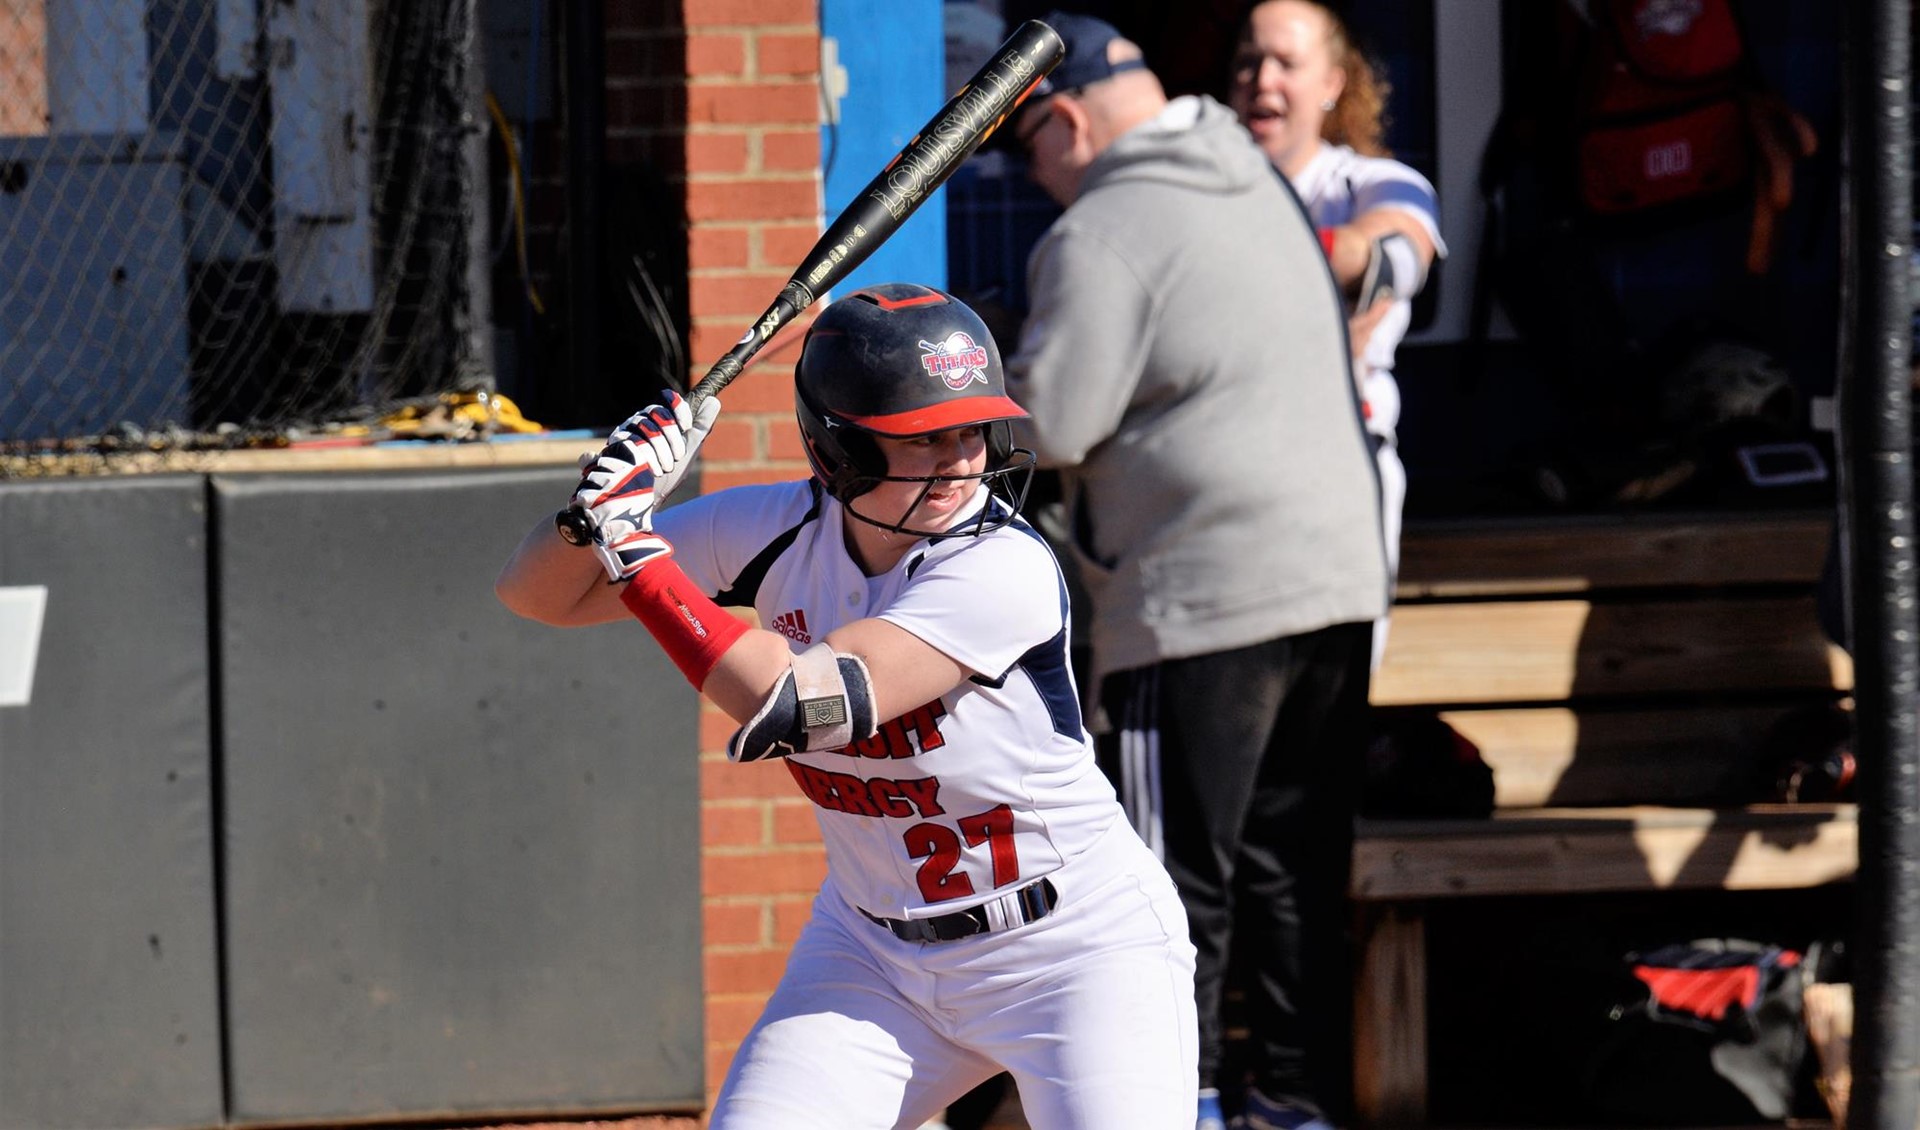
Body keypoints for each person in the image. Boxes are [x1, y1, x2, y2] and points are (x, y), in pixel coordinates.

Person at [494, 283, 1198, 1130]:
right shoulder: (778, 529)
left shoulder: (1001, 566)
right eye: (922, 437)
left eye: (970, 431)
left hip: (1075, 950)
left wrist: (640, 555)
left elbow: (803, 705)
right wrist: (592, 516)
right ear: (840, 452)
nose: (959, 462)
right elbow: (538, 595)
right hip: (874, 958)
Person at [1001, 13, 1389, 1130]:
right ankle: (1294, 1102)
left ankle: (1181, 1101)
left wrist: (981, 393)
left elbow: (1055, 422)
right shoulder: (1249, 173)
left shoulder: (1103, 227)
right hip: (1336, 583)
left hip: (1204, 598)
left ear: (1067, 122)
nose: (1038, 180)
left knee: (1165, 882)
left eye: (1029, 151)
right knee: (1292, 865)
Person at [1227, 0, 1445, 663]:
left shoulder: (1374, 182)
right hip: (1218, 480)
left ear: (1332, 82)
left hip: (1339, 473)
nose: (1263, 80)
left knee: (1325, 701)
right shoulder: (1197, 192)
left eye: (1286, 63)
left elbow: (1395, 255)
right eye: (1249, 62)